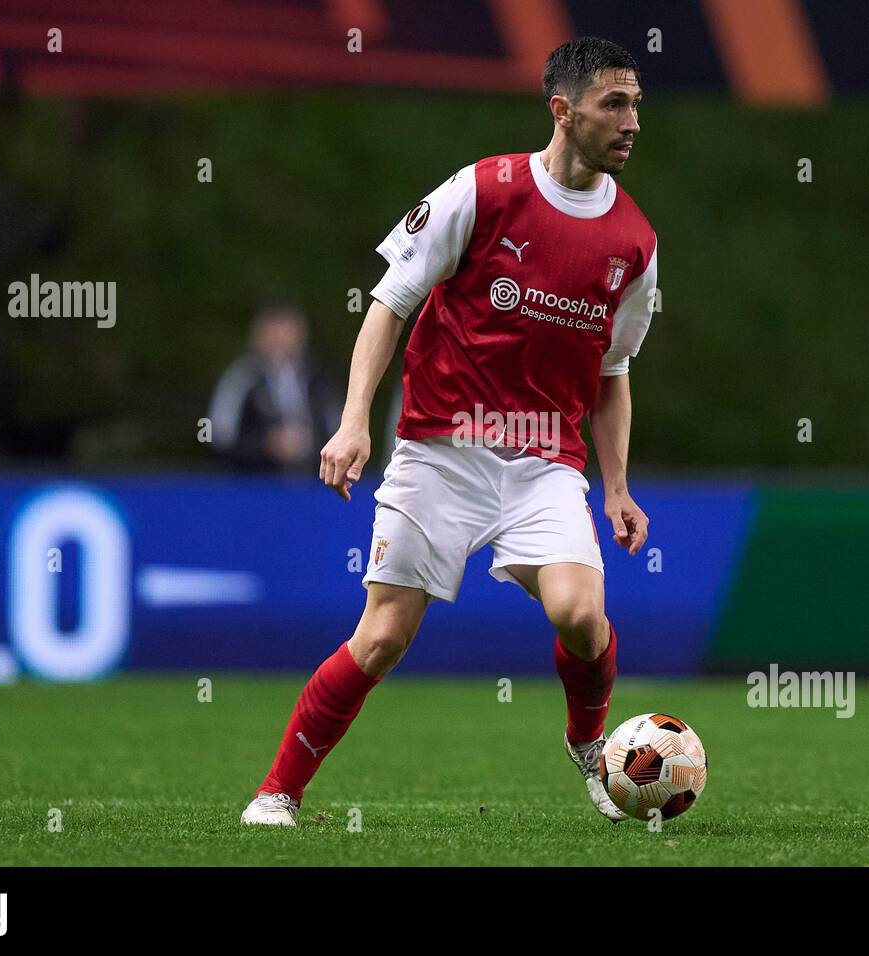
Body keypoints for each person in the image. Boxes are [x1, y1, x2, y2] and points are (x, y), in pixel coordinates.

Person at [242, 37, 658, 827]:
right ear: (563, 112)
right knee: (383, 638)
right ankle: (277, 791)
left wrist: (617, 487)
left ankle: (588, 746)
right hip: (440, 450)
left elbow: (612, 373)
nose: (633, 121)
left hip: (544, 460)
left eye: (637, 103)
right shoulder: (485, 190)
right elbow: (389, 301)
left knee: (581, 615)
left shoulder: (635, 242)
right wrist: (353, 421)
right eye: (616, 104)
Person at [207, 303, 340, 472]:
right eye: (274, 333)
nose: (281, 339)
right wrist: (266, 446)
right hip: (252, 488)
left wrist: (311, 444)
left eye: (288, 331)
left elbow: (338, 434)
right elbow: (220, 436)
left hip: (313, 489)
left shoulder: (318, 380)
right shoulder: (241, 378)